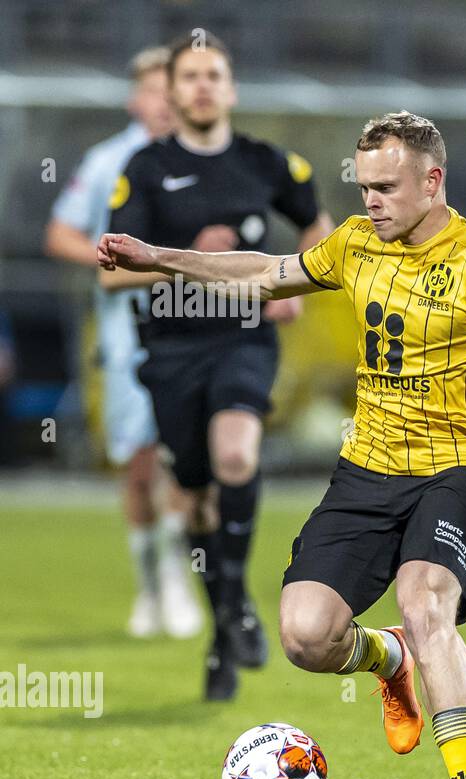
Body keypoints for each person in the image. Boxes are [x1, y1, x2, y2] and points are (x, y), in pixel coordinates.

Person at [99, 110, 466, 779]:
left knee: (425, 602)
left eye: (386, 187)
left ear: (432, 182)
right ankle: (387, 656)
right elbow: (267, 275)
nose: (370, 200)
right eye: (364, 185)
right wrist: (160, 257)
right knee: (307, 637)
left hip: (457, 468)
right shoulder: (355, 243)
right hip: (366, 470)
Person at [101, 33, 333, 699]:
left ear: (231, 88)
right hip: (171, 350)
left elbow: (320, 229)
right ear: (172, 92)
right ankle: (224, 617)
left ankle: (234, 611)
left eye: (214, 75)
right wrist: (181, 256)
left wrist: (296, 285)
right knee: (197, 496)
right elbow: (113, 277)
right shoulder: (144, 168)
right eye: (190, 76)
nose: (203, 86)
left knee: (236, 456)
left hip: (244, 339)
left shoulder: (268, 164)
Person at [44, 46, 201, 640]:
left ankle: (176, 574)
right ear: (138, 98)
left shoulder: (202, 157)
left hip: (190, 324)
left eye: (177, 89)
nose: (170, 101)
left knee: (183, 459)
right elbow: (59, 234)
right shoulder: (108, 160)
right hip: (125, 332)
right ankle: (147, 584)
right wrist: (114, 258)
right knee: (138, 463)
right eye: (160, 91)